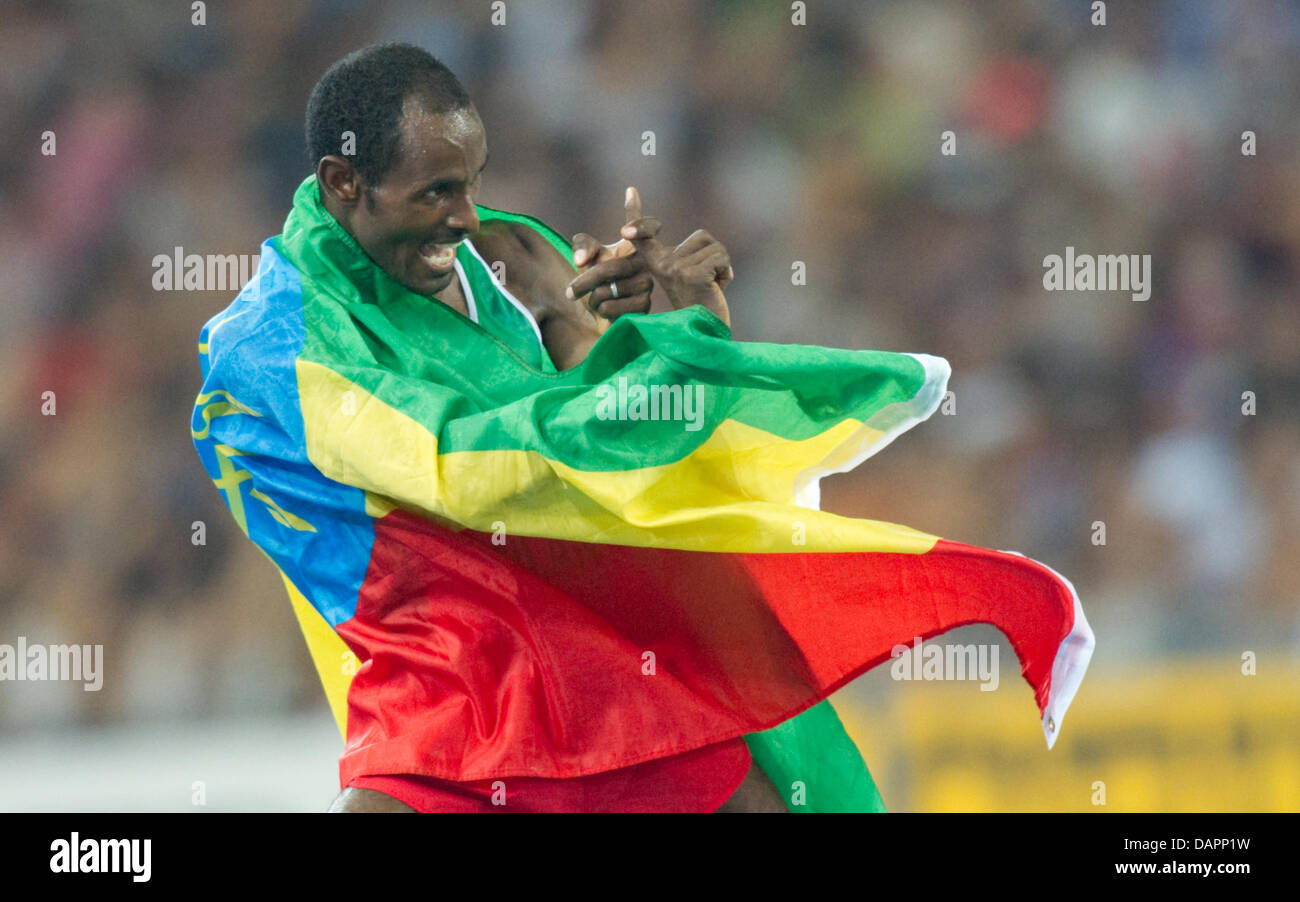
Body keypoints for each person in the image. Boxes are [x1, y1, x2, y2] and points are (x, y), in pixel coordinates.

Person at [240, 41, 783, 812]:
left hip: (603, 683)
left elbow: (627, 451)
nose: (465, 216)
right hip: (440, 725)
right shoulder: (276, 341)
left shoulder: (513, 258)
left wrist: (680, 333)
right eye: (436, 192)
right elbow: (456, 460)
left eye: (473, 182)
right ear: (343, 181)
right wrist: (646, 375)